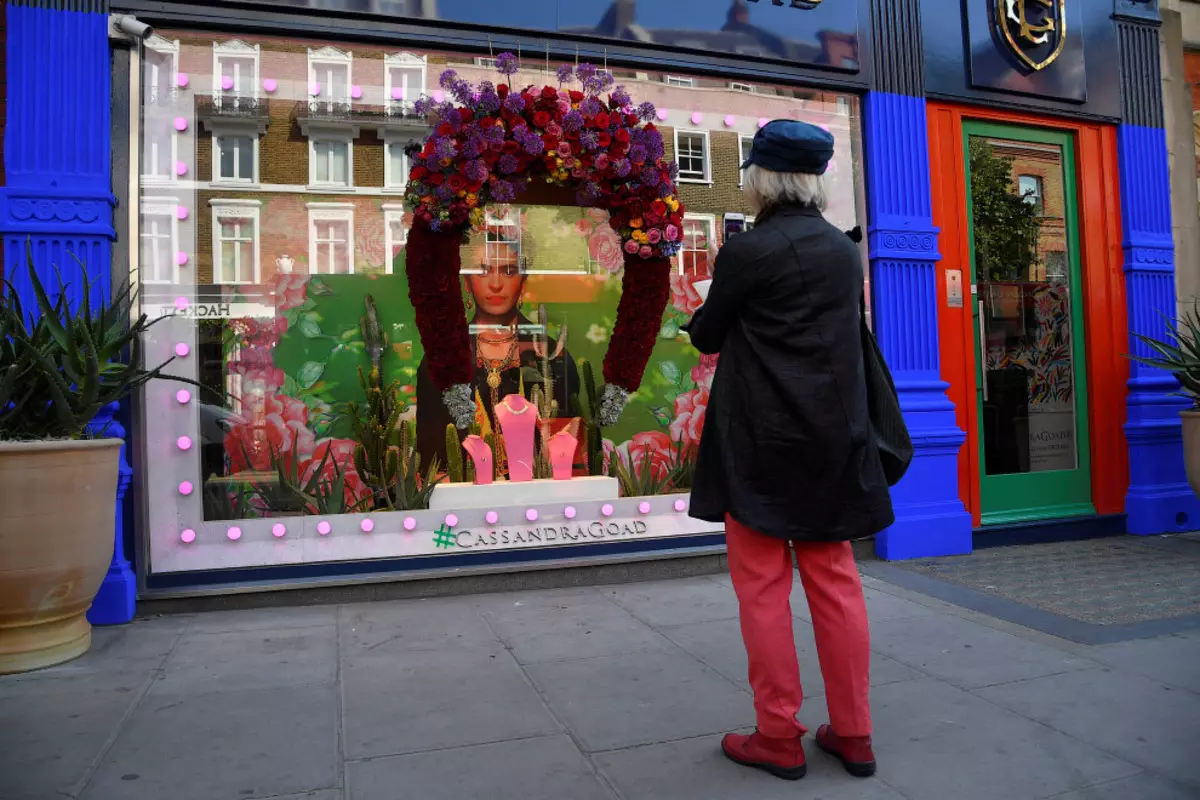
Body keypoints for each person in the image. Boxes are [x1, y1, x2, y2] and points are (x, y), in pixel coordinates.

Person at [684, 120, 894, 781]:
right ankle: (854, 731)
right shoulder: (842, 250)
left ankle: (777, 735)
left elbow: (708, 335)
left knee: (764, 590)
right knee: (836, 584)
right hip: (834, 441)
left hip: (760, 443)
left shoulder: (750, 251)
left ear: (760, 178)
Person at [415, 221, 579, 468]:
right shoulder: (441, 362)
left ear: (524, 280)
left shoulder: (552, 357)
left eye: (509, 271)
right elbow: (432, 457)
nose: (495, 284)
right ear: (467, 281)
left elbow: (569, 448)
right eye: (482, 271)